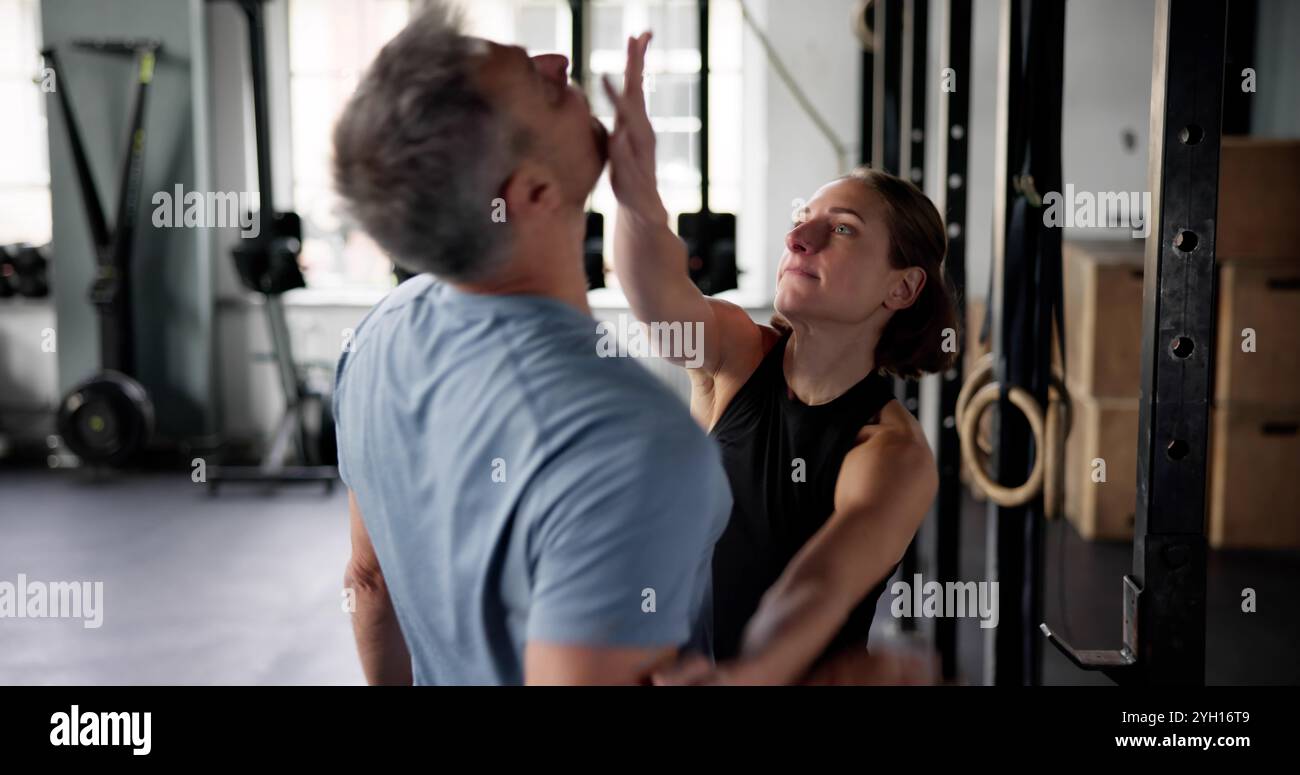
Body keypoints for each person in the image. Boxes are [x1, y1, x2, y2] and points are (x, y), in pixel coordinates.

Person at [329, 6, 731, 686]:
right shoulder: (633, 442)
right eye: (541, 84)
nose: (560, 64)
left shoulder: (375, 336)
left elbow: (368, 585)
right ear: (533, 192)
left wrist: (641, 202)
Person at [602, 34, 957, 684]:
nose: (800, 236)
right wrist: (634, 190)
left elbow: (821, 582)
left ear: (901, 288)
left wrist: (745, 677)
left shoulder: (891, 455)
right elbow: (656, 296)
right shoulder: (736, 357)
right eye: (803, 217)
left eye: (842, 228)